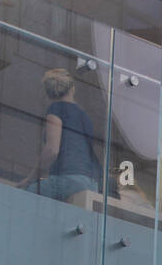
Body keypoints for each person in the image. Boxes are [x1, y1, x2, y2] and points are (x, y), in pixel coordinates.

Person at [17, 69, 100, 202]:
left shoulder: (56, 109)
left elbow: (52, 150)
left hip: (67, 178)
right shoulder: (85, 117)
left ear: (49, 93)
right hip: (91, 183)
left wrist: (30, 178)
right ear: (72, 88)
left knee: (22, 196)